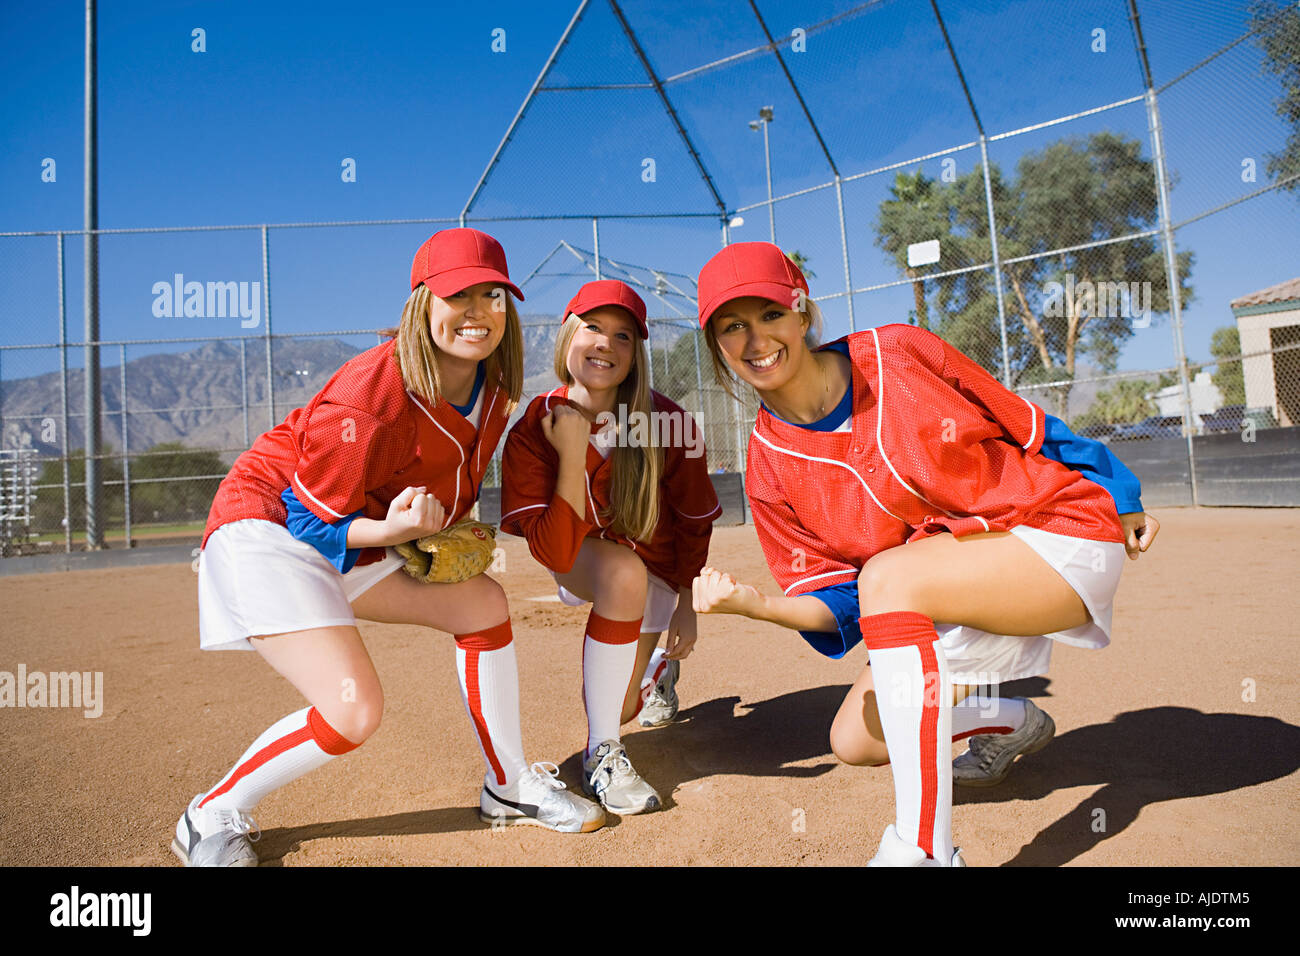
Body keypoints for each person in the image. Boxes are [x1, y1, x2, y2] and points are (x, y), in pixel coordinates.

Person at [689, 242, 1159, 866]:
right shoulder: (769, 467)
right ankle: (1007, 719)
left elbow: (1018, 417)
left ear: (802, 314)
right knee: (854, 740)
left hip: (1053, 533)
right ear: (717, 344)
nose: (756, 339)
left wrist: (1119, 489)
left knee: (889, 576)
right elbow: (841, 602)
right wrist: (758, 606)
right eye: (733, 326)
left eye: (770, 314)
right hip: (946, 584)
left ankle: (924, 851)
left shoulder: (897, 353)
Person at [175, 228, 603, 867]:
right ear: (422, 303)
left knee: (481, 604)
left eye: (493, 296)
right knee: (352, 711)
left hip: (360, 530)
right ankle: (208, 816)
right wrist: (392, 535)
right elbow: (306, 519)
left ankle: (509, 787)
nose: (478, 314)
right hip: (268, 528)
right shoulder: (368, 394)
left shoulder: (497, 389)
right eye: (458, 296)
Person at [499, 279, 720, 815]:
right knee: (621, 571)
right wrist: (571, 453)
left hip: (661, 571)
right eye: (592, 327)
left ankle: (655, 675)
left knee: (620, 706)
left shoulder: (668, 423)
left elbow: (693, 523)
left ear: (636, 354)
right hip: (586, 555)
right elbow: (553, 553)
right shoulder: (534, 426)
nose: (606, 344)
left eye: (624, 336)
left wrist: (686, 606)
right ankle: (604, 754)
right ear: (566, 335)